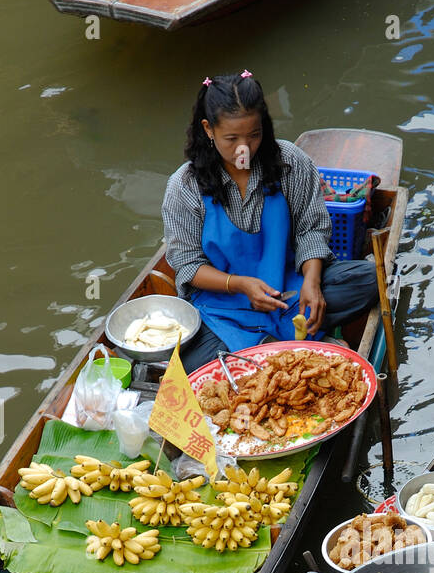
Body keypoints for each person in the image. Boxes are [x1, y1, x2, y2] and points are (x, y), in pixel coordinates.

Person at [162, 72, 379, 373]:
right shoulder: (184, 186)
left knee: (369, 279)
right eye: (232, 138)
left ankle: (268, 347)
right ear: (208, 129)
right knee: (191, 366)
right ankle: (285, 344)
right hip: (224, 305)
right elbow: (187, 264)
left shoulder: (290, 161)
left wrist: (313, 285)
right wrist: (239, 284)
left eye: (253, 135)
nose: (244, 149)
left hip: (289, 289)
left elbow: (312, 229)